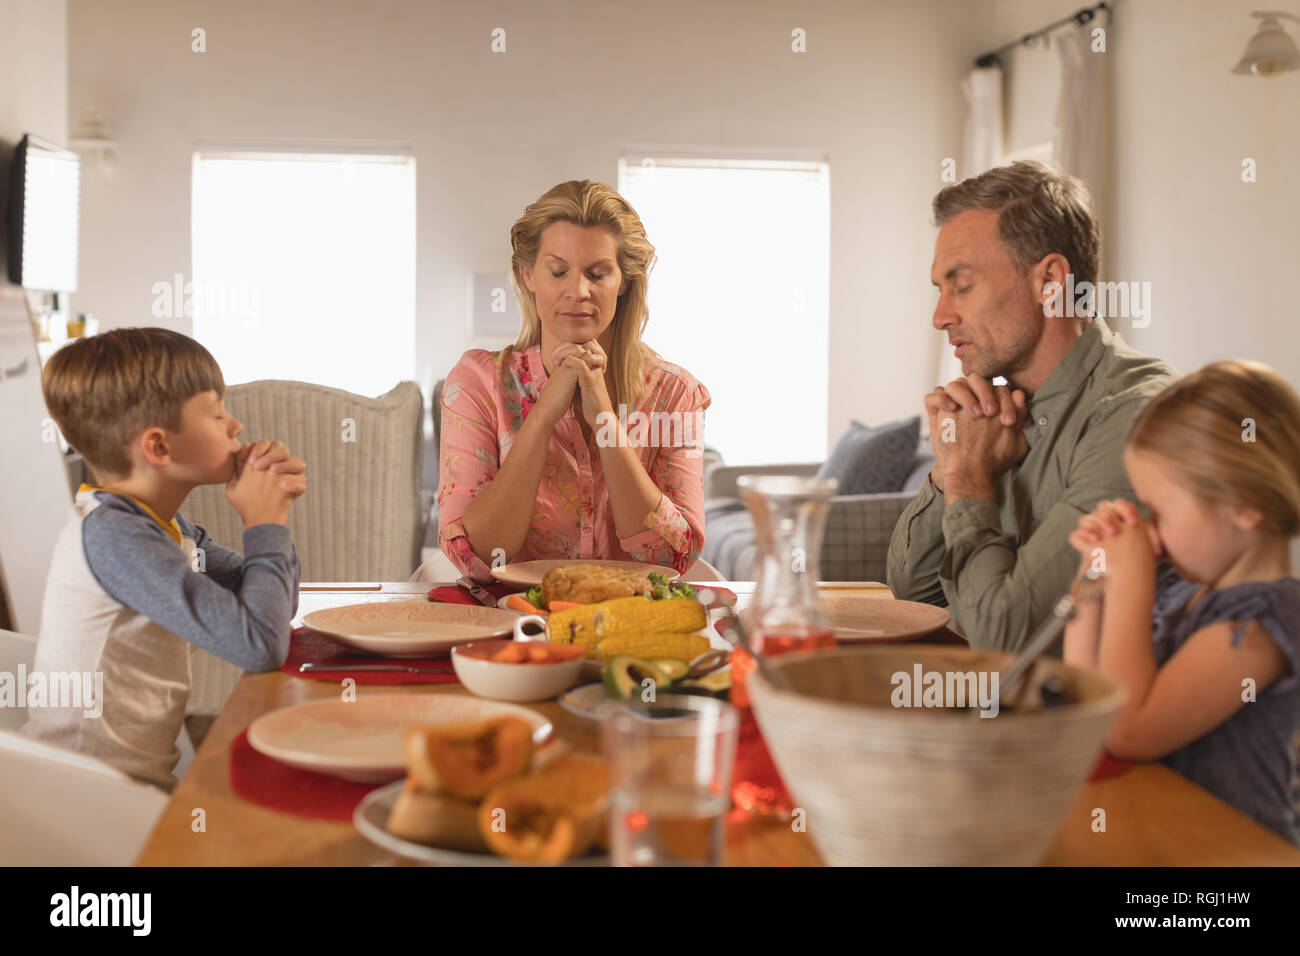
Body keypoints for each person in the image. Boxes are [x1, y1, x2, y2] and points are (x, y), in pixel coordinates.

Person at [887, 161, 1176, 651]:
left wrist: (967, 482)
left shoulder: (1138, 418)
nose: (940, 317)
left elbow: (1006, 635)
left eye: (962, 285)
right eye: (940, 290)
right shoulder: (991, 412)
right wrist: (951, 470)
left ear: (1050, 281)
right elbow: (914, 596)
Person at [21, 327, 306, 790]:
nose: (235, 427)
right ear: (158, 447)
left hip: (133, 784)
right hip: (82, 799)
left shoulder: (165, 527)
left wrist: (275, 510)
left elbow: (274, 608)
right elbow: (259, 645)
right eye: (216, 415)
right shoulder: (117, 538)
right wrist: (264, 523)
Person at [1064, 360, 1300, 845]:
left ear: (1245, 505)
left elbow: (1130, 730)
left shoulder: (1262, 625)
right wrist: (1095, 578)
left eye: (1161, 509)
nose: (1150, 528)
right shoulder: (1183, 592)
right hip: (1159, 829)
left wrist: (1132, 582)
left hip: (1231, 858)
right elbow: (1087, 697)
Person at [437, 180, 711, 582]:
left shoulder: (674, 394)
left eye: (598, 274)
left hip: (635, 625)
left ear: (625, 283)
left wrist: (604, 418)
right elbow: (478, 559)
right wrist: (545, 412)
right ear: (528, 274)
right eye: (558, 271)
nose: (578, 291)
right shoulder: (477, 383)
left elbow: (673, 559)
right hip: (510, 624)